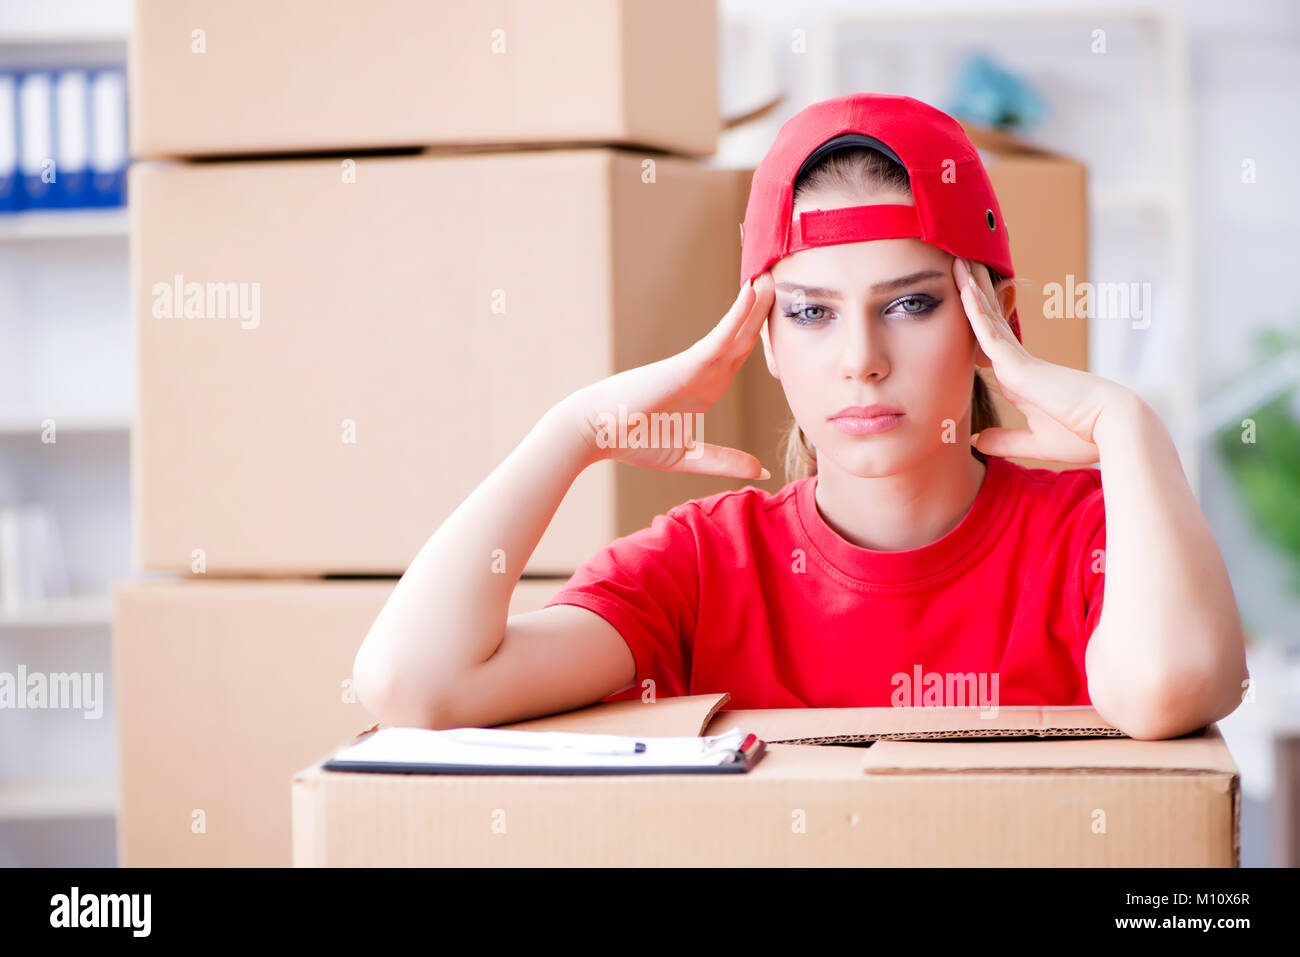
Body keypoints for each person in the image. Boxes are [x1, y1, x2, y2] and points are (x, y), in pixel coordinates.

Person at [353, 93, 1248, 740]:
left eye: (909, 305)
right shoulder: (704, 567)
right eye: (812, 312)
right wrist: (573, 430)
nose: (860, 356)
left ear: (992, 323)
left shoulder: (1088, 537)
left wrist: (1129, 428)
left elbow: (1172, 688)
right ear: (767, 341)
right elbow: (413, 684)